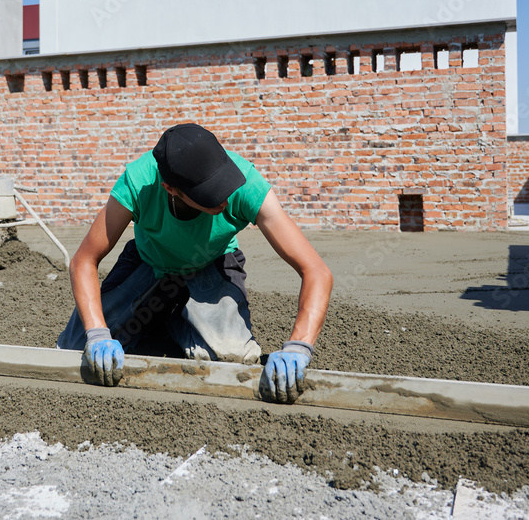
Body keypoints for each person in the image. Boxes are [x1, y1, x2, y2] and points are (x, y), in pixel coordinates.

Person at [56, 123, 333, 404]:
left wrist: (299, 346)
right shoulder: (139, 182)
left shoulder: (247, 184)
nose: (224, 197)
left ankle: (176, 319)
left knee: (231, 358)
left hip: (210, 264)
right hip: (149, 263)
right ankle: (163, 315)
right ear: (170, 189)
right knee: (76, 348)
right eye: (209, 193)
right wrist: (98, 334)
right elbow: (84, 261)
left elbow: (316, 271)